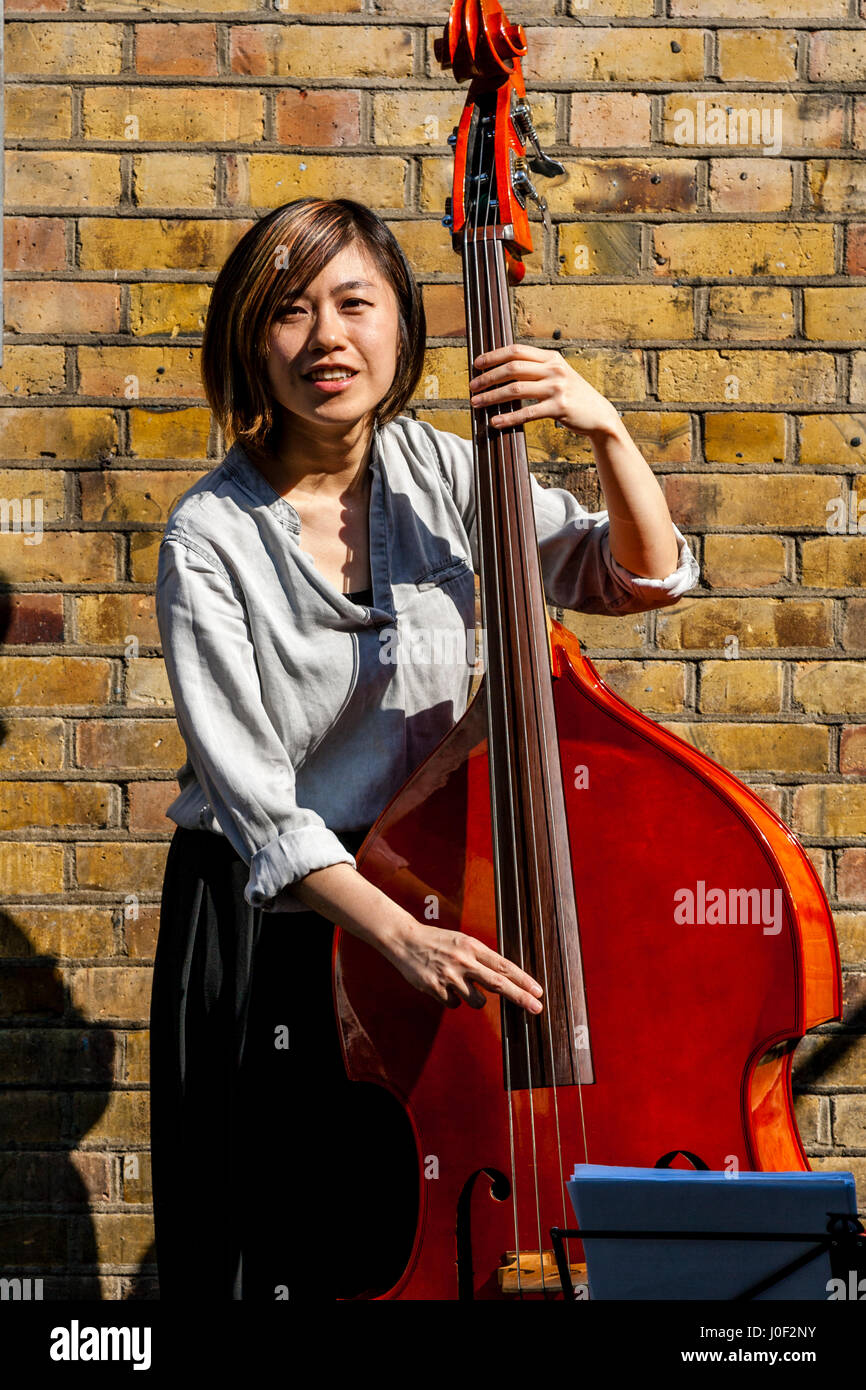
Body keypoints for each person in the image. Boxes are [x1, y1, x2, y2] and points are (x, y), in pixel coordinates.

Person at [149, 196, 700, 1302]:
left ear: (401, 325)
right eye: (289, 312)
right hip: (282, 923)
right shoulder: (207, 537)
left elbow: (632, 577)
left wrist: (603, 429)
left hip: (435, 903)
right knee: (286, 1243)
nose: (326, 339)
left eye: (355, 303)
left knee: (410, 1221)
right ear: (250, 340)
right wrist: (398, 935)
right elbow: (261, 806)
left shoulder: (451, 475)